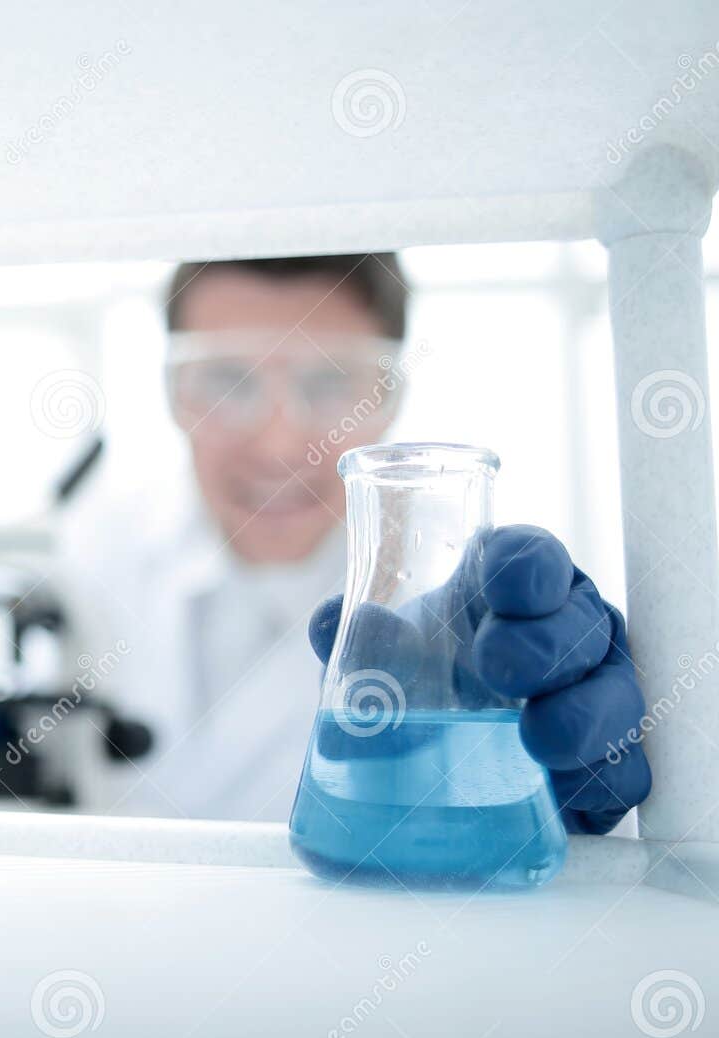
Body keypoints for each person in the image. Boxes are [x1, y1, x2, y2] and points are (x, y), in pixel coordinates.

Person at [61, 254, 649, 834]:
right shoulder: (82, 559)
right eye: (226, 382)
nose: (278, 445)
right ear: (173, 392)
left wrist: (533, 763)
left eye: (329, 383)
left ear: (388, 395)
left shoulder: (481, 612)